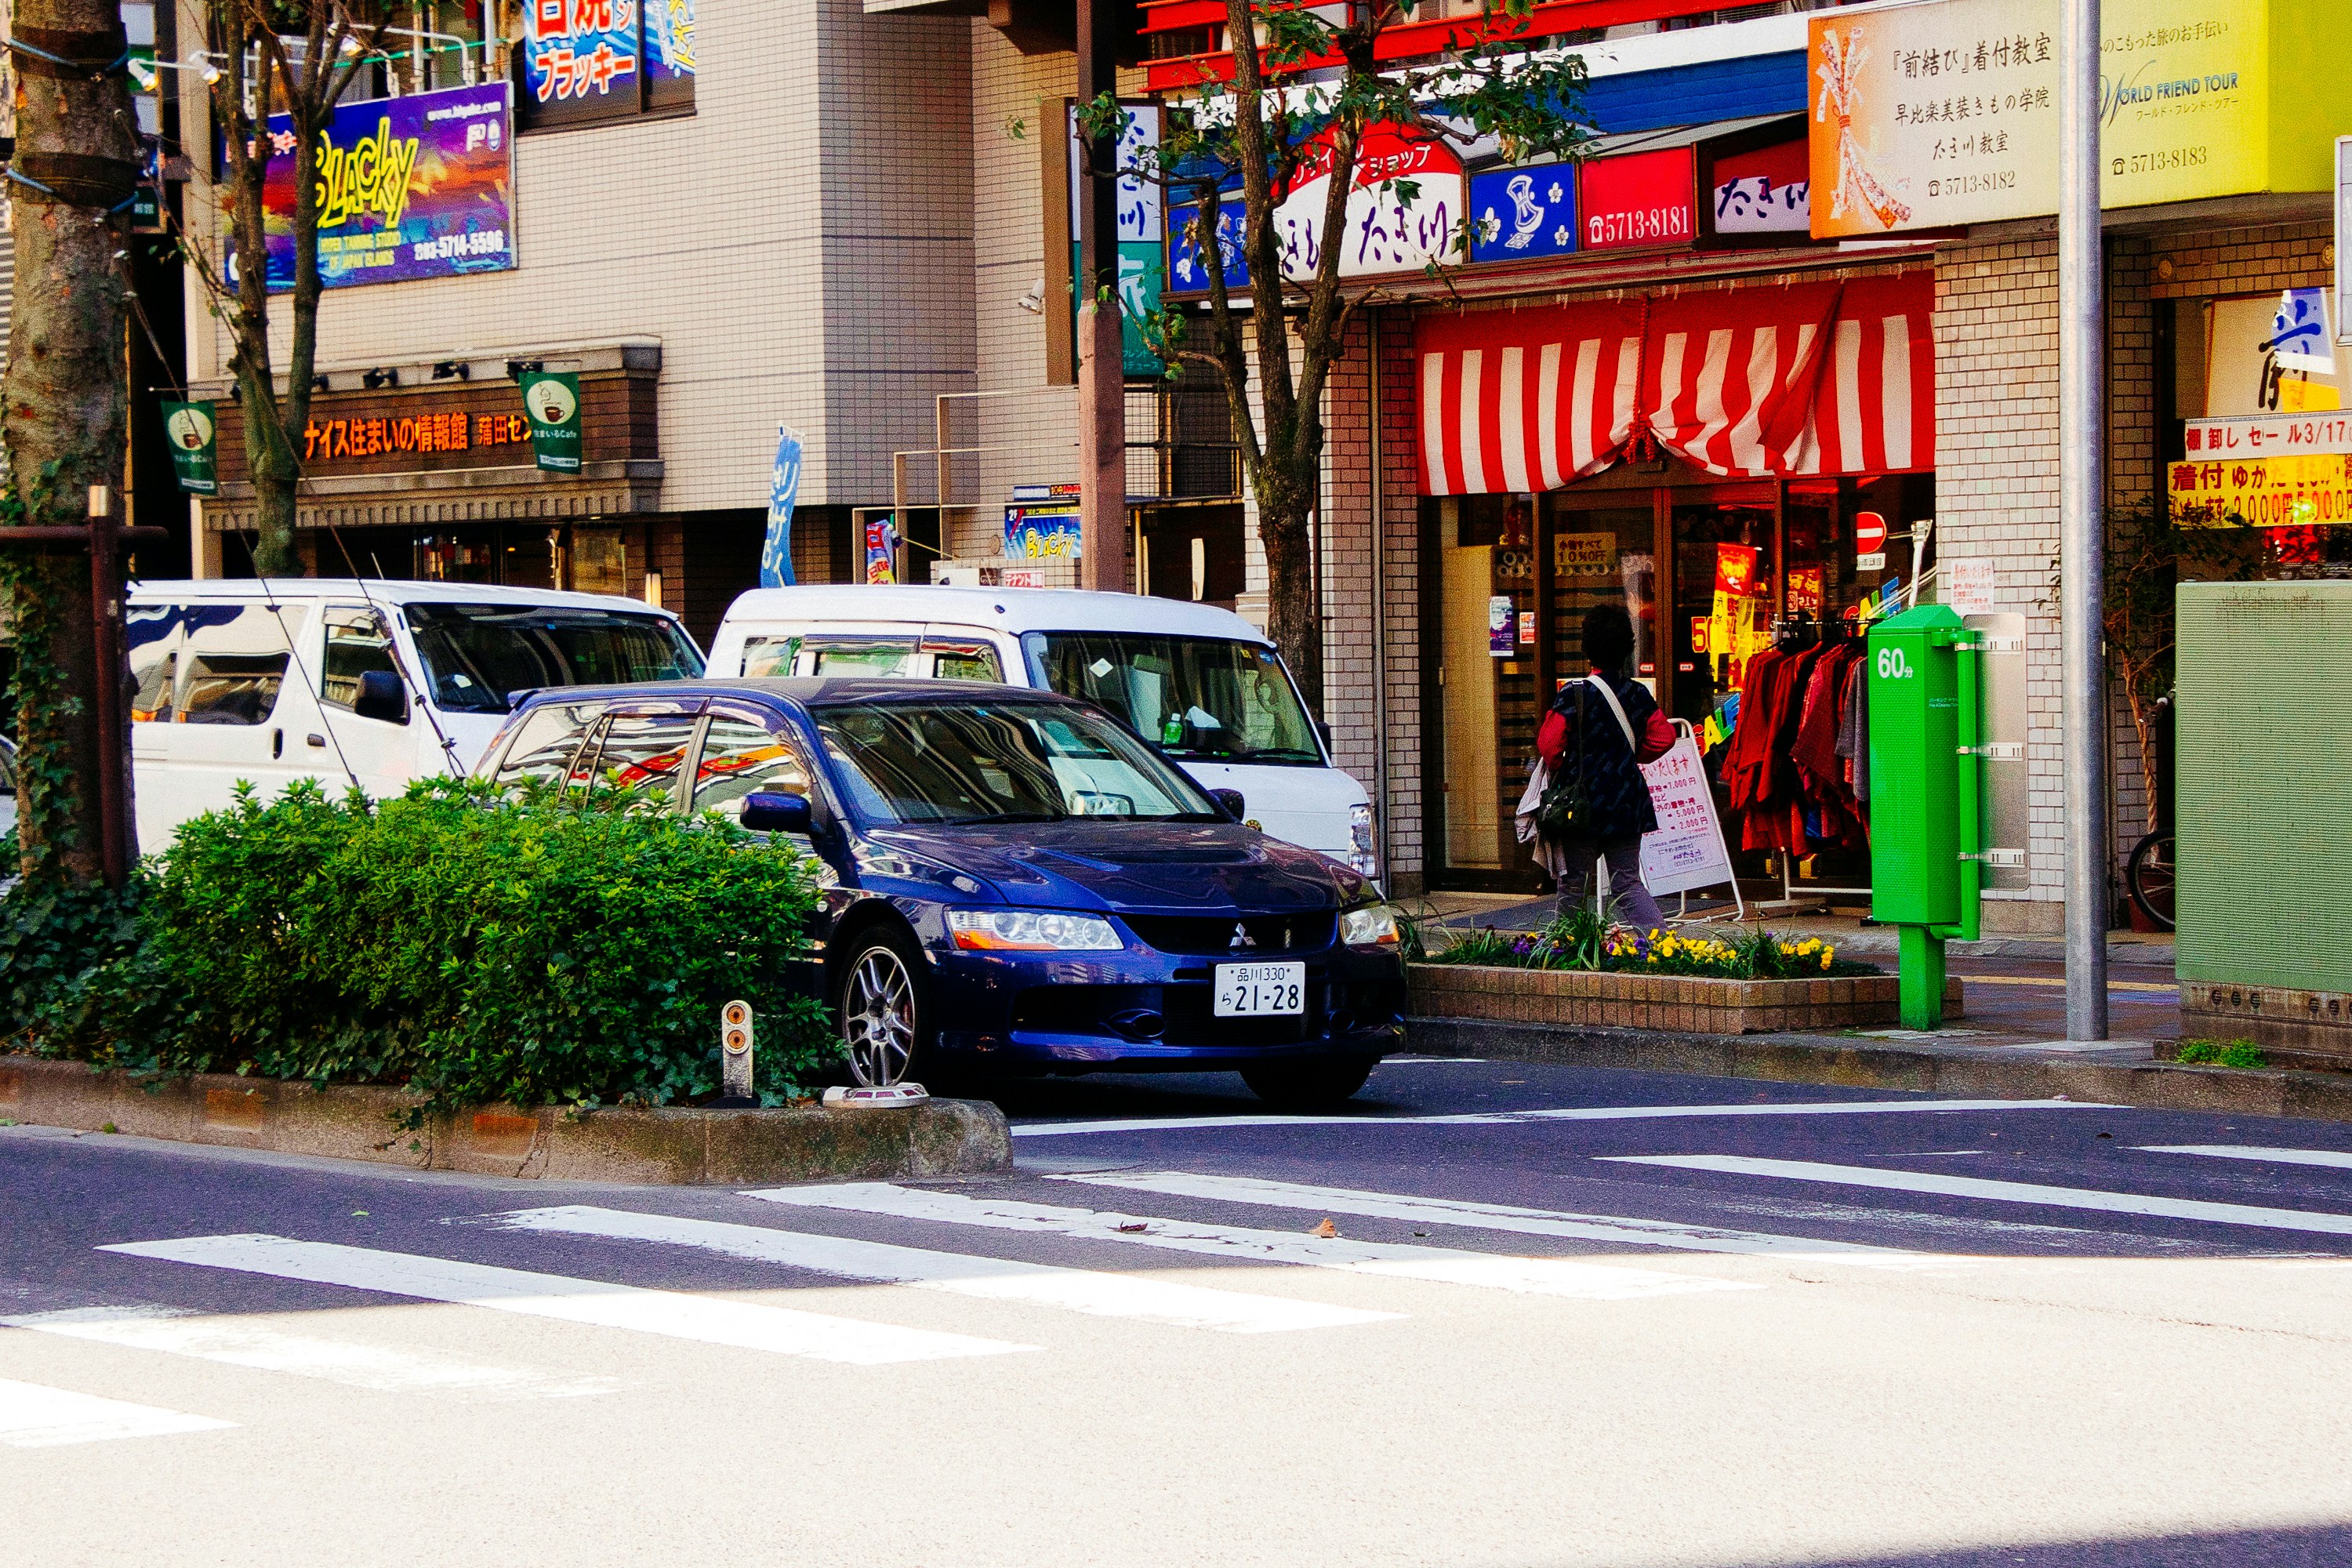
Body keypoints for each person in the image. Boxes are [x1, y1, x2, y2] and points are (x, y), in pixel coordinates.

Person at [1533, 603, 1677, 927]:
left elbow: (1550, 747)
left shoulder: (1573, 694)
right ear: (1627, 649)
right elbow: (1665, 736)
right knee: (1627, 882)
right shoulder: (1637, 693)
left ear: (1587, 650)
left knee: (1574, 885)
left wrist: (1569, 763)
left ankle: (1566, 947)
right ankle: (1660, 945)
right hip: (1627, 801)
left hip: (1580, 804)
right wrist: (1629, 755)